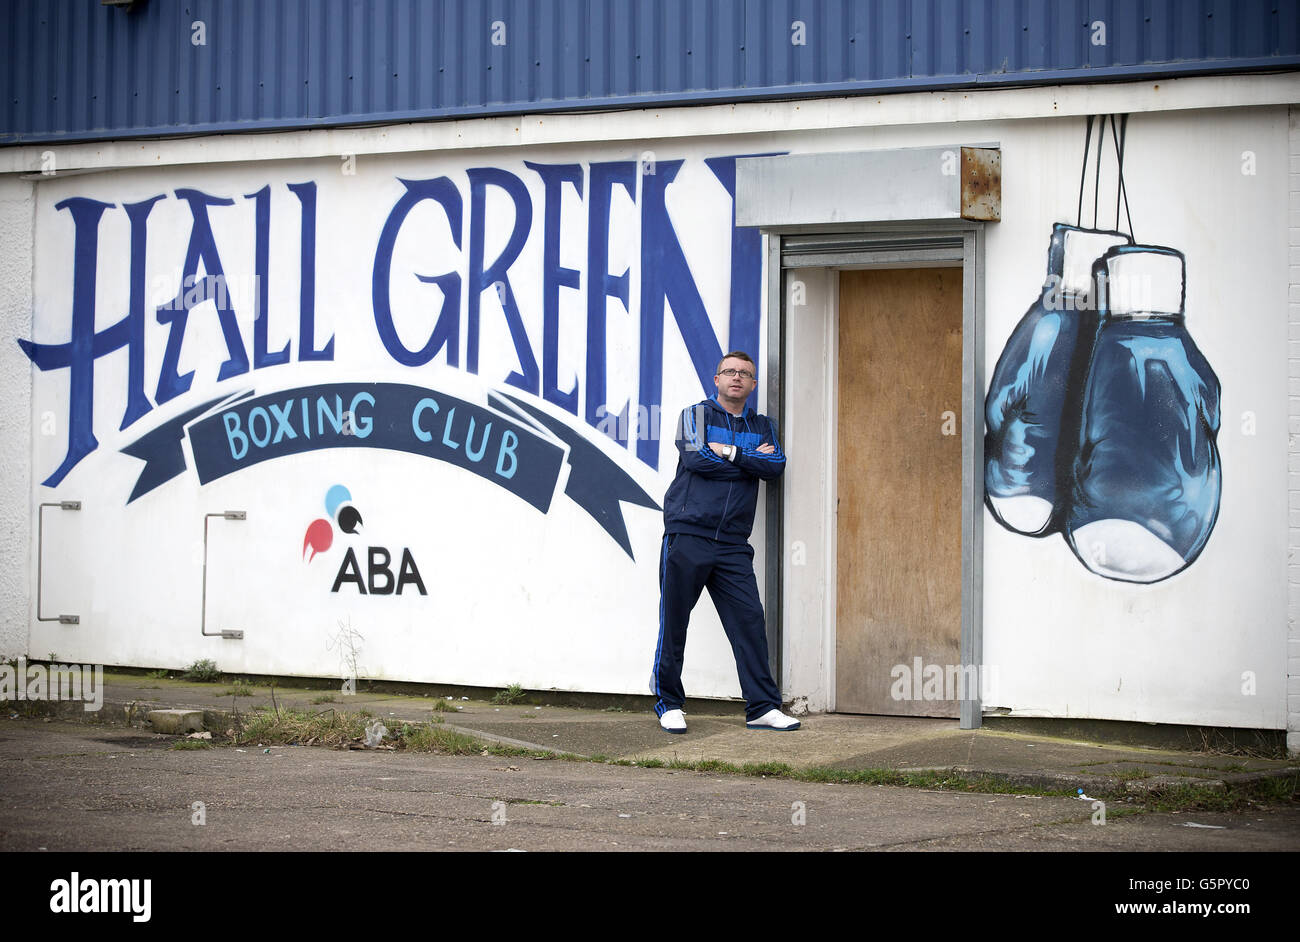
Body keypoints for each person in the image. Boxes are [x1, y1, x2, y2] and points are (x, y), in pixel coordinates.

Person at [650, 351, 800, 733]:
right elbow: (697, 460)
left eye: (745, 374)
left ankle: (762, 708)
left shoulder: (763, 425)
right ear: (716, 379)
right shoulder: (695, 416)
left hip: (733, 542)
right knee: (675, 622)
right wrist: (749, 459)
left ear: (752, 385)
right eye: (730, 372)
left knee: (749, 621)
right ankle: (668, 703)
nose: (737, 378)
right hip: (689, 534)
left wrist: (731, 451)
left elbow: (775, 466)